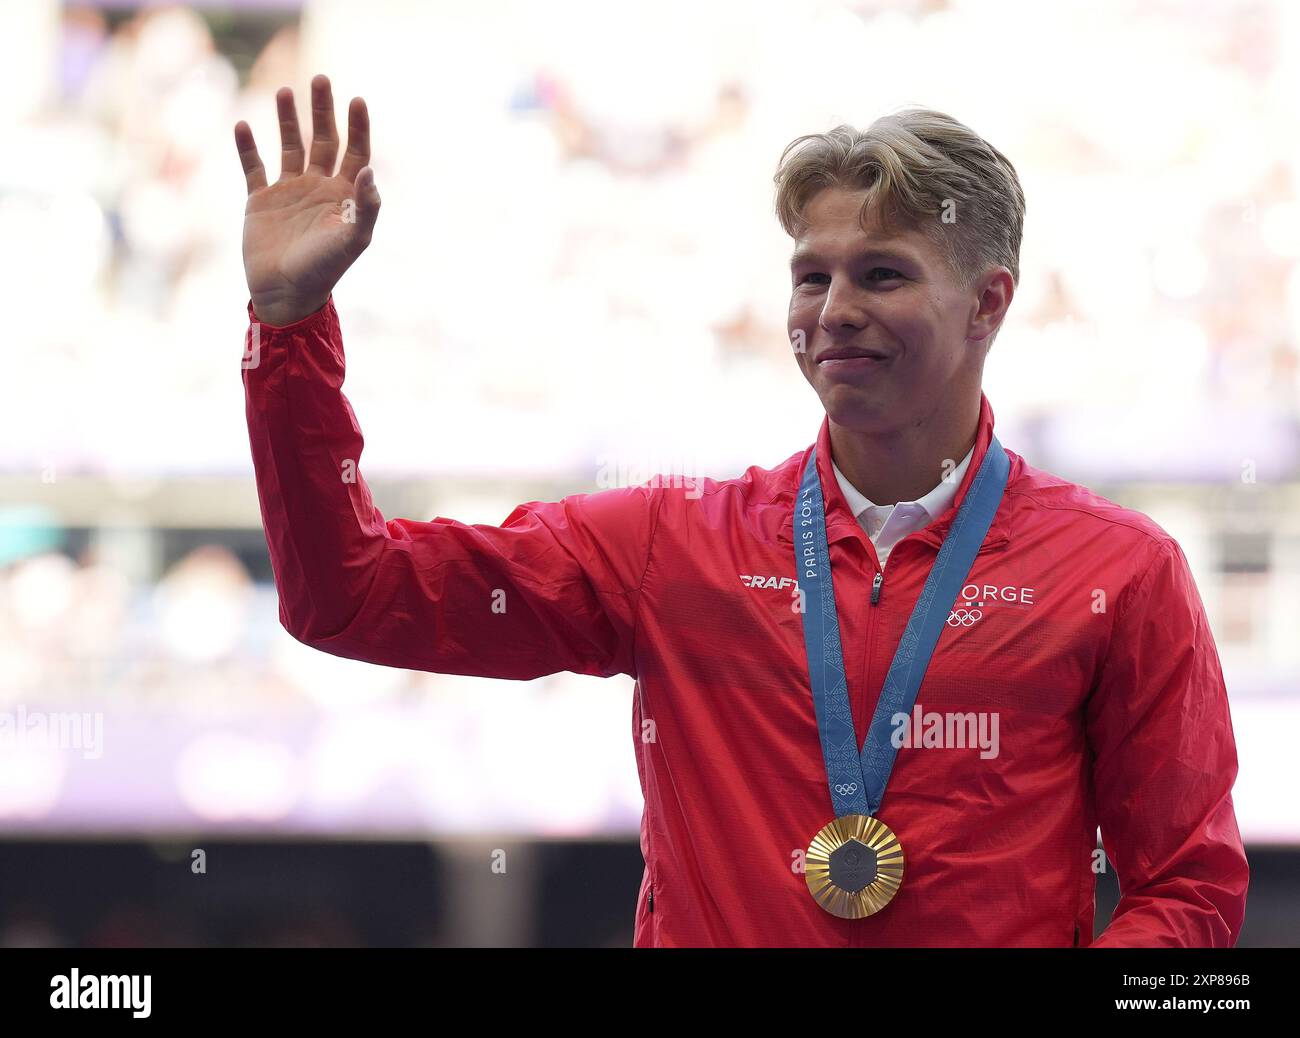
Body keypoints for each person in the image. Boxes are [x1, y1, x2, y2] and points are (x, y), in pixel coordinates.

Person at [233, 74, 1249, 947]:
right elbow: (348, 598)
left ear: (988, 301)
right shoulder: (671, 547)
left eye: (881, 274)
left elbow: (1189, 888)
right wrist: (290, 332)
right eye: (811, 276)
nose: (832, 309)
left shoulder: (1118, 572)